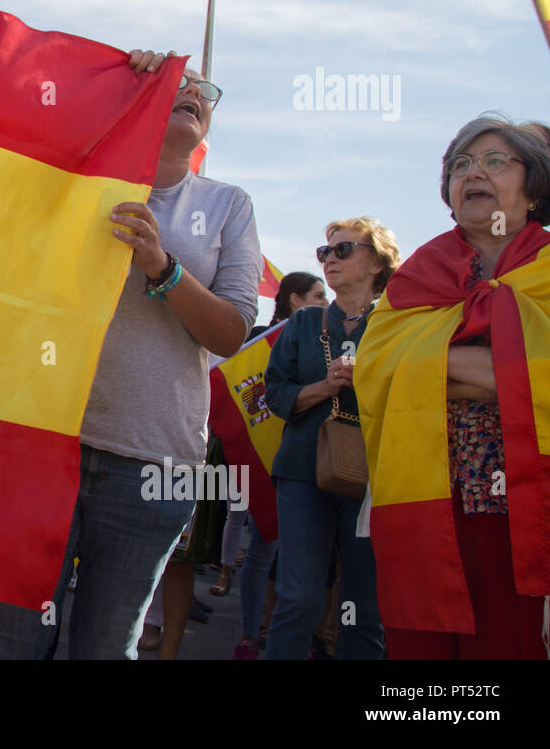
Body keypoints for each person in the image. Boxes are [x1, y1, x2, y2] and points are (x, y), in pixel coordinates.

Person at [0, 51, 263, 659]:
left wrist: (163, 268)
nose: (192, 93)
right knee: (11, 641)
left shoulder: (228, 205)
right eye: (175, 84)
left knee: (109, 645)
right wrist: (114, 82)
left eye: (202, 90)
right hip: (46, 442)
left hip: (156, 459)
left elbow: (233, 332)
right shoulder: (70, 179)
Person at [357, 114, 550, 659]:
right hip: (428, 497)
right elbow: (377, 370)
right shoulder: (422, 272)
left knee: (510, 644)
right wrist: (507, 370)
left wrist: (429, 366)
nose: (473, 173)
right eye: (461, 165)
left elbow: (403, 367)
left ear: (532, 189)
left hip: (526, 507)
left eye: (495, 161)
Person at [261, 217, 401, 660]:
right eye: (326, 252)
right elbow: (275, 395)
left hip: (374, 479)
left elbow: (419, 394)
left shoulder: (400, 323)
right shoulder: (302, 324)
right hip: (303, 472)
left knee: (363, 609)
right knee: (298, 597)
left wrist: (371, 380)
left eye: (344, 250)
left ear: (378, 262)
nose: (330, 260)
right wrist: (326, 387)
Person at [225, 271, 327, 658]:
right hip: (275, 457)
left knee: (294, 561)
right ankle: (252, 633)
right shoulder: (263, 339)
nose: (325, 302)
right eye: (318, 295)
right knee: (262, 545)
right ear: (297, 300)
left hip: (316, 460)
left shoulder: (328, 336)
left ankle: (289, 632)